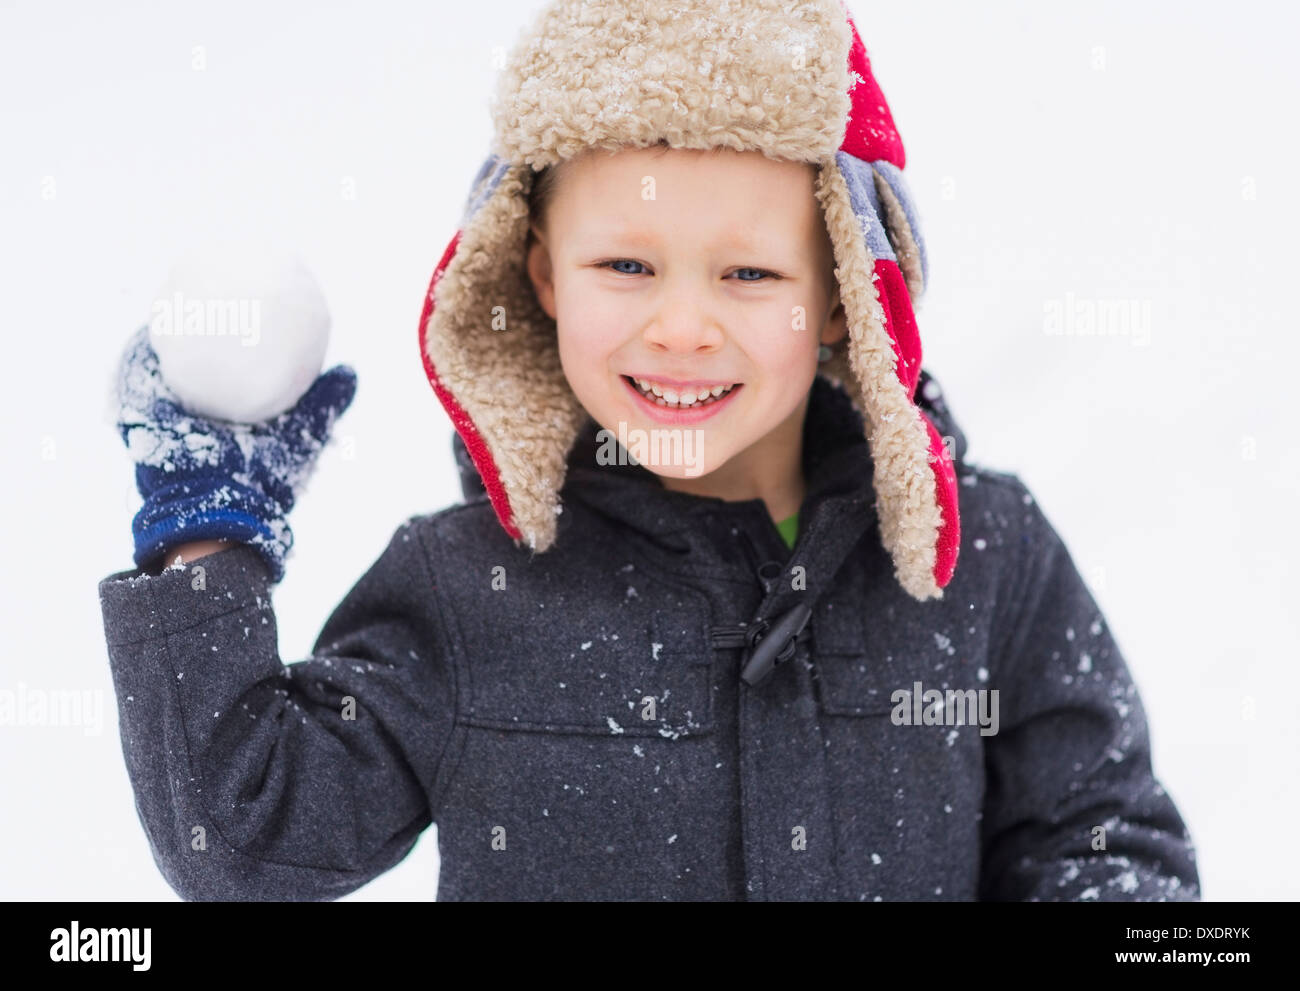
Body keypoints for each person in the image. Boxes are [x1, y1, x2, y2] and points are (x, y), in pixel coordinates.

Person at [99, 0, 1200, 901]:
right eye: (626, 266)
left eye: (749, 274)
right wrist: (208, 534)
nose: (681, 325)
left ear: (839, 299)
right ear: (538, 275)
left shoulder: (982, 562)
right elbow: (244, 834)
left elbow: (1100, 836)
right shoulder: (469, 588)